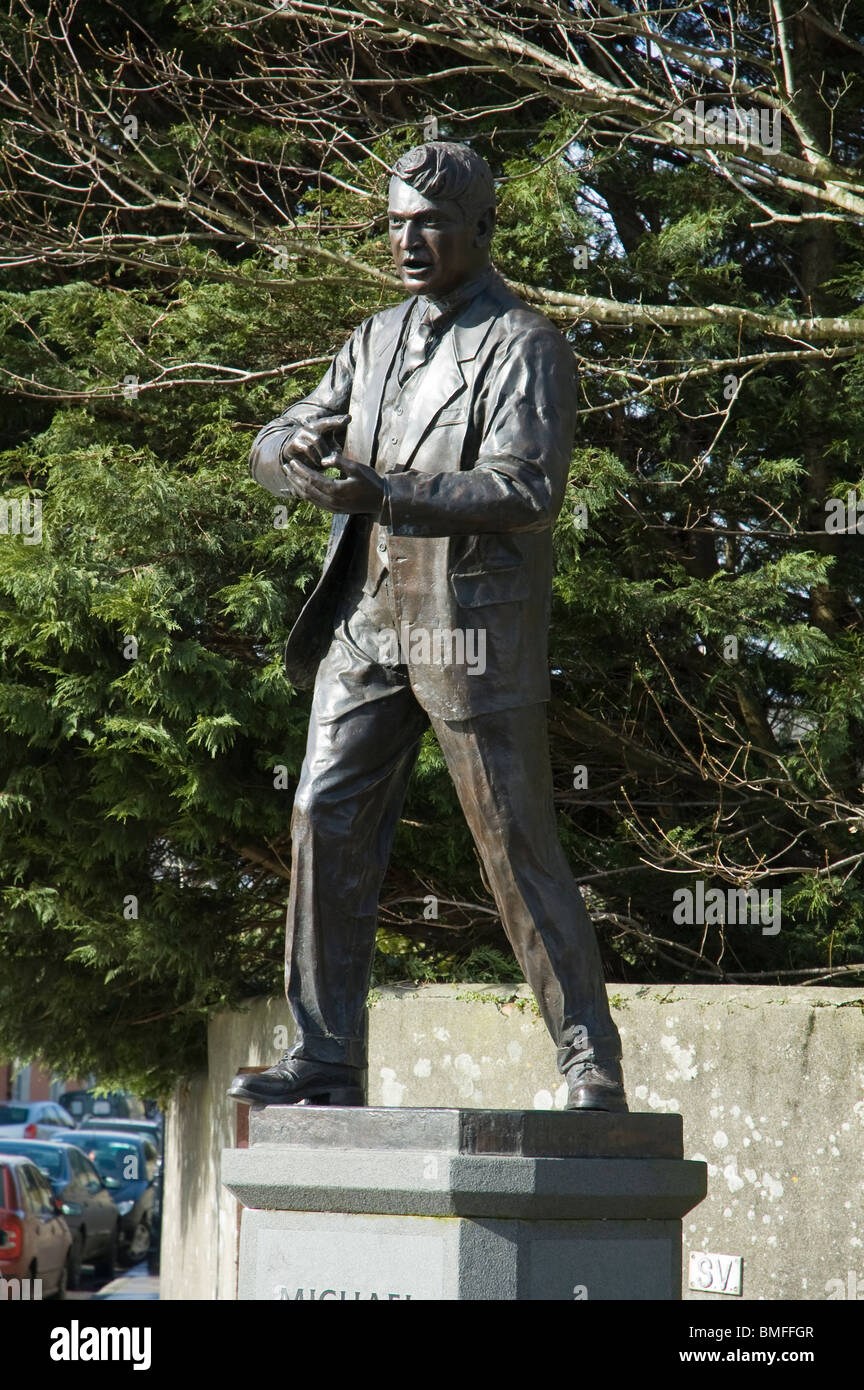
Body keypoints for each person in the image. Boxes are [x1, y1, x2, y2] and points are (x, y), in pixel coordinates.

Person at [228, 142, 627, 1113]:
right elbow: (273, 437)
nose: (410, 239)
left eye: (432, 223)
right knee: (321, 812)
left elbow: (526, 487)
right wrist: (298, 449)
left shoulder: (522, 342)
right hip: (368, 621)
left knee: (514, 846)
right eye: (399, 221)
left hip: (466, 631)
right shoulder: (372, 339)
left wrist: (391, 491)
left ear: (482, 229)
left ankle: (589, 1062)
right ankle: (324, 1054)